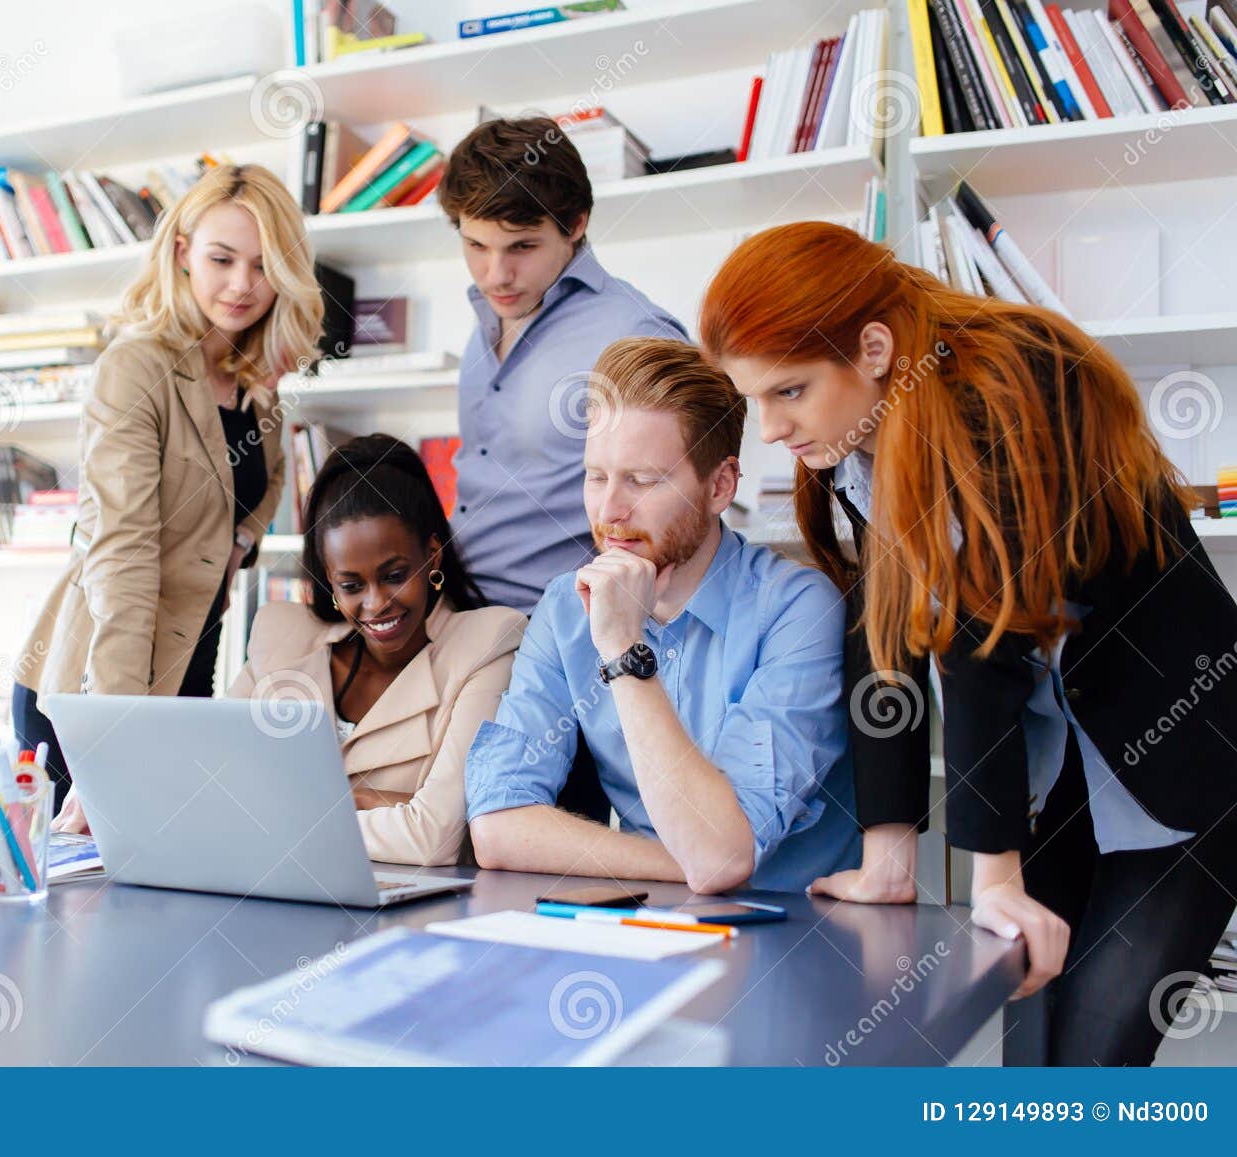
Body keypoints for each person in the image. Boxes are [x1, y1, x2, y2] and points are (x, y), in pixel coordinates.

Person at [702, 220, 1237, 1065]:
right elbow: (886, 638)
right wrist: (888, 854)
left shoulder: (1016, 386)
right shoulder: (861, 442)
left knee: (1094, 1065)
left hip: (1183, 761)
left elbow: (981, 637)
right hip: (1068, 773)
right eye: (753, 400)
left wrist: (991, 874)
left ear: (874, 348)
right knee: (1027, 1042)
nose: (767, 430)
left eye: (789, 392)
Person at [464, 337, 861, 893]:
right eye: (596, 476)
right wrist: (688, 866)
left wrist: (625, 652)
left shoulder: (797, 609)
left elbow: (725, 853)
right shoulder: (565, 607)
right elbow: (497, 826)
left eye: (643, 480)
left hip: (799, 935)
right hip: (660, 919)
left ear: (719, 485)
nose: (609, 512)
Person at [13, 163, 323, 824]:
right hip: (98, 691)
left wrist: (242, 536)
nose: (242, 284)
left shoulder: (253, 380)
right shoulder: (137, 369)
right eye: (222, 258)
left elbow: (265, 484)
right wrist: (111, 744)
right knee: (80, 913)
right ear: (182, 252)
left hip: (187, 676)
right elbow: (121, 558)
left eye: (264, 266)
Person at [228, 435, 525, 866]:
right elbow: (219, 795)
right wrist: (375, 801)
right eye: (351, 585)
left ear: (432, 556)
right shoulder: (280, 635)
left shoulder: (487, 644)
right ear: (329, 581)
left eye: (395, 575)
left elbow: (435, 838)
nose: (376, 603)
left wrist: (282, 813)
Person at [438, 116, 686, 614]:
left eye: (522, 246)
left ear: (575, 225)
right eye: (476, 246)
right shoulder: (491, 314)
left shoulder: (636, 334)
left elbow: (677, 509)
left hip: (554, 625)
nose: (496, 274)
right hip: (455, 606)